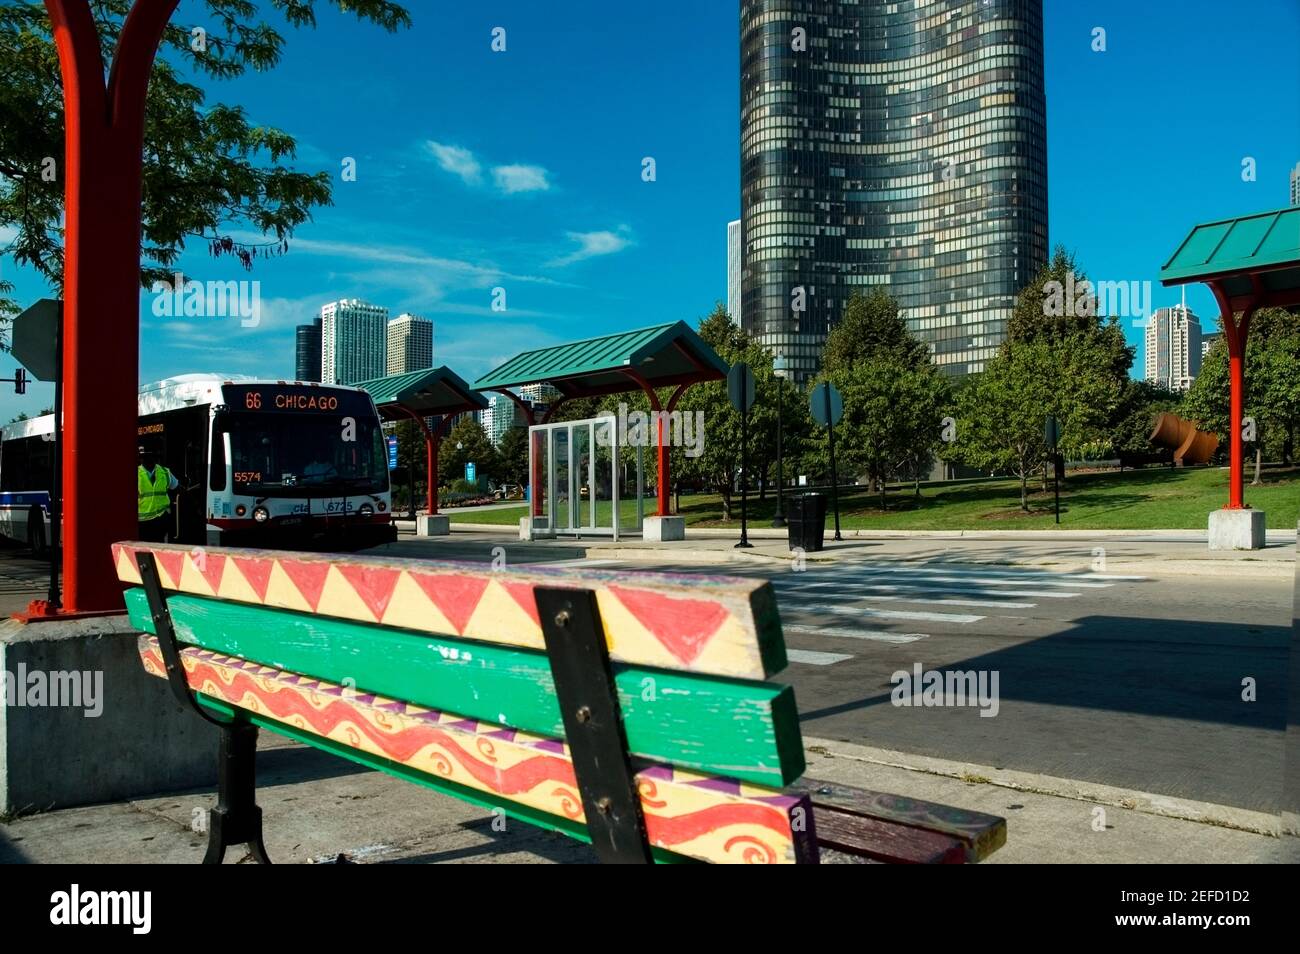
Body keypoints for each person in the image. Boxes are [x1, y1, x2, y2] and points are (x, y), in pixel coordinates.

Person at [138, 445, 179, 542]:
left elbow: (176, 487)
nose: (145, 459)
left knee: (158, 547)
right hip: (142, 521)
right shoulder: (136, 473)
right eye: (143, 457)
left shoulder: (165, 472)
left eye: (149, 456)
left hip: (161, 519)